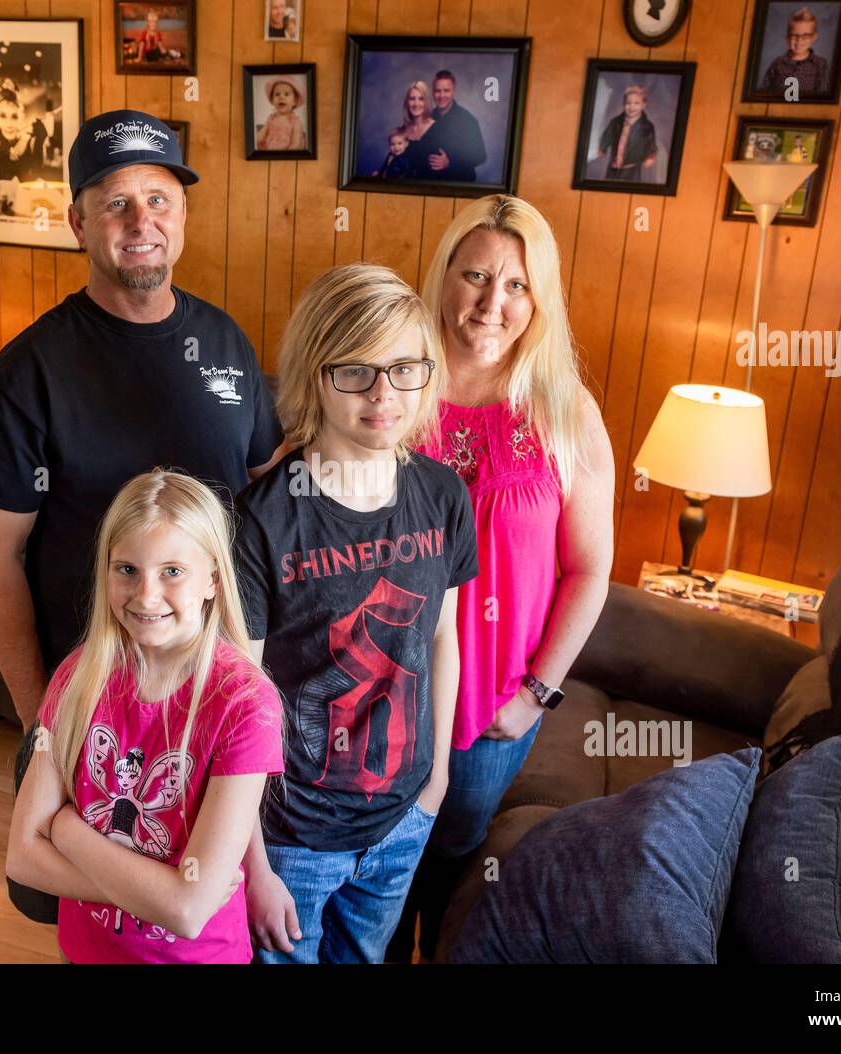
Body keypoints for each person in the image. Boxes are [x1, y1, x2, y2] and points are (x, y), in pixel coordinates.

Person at [0, 110, 284, 922]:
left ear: (185, 215)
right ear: (77, 222)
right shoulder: (29, 373)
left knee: (193, 908)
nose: (142, 222)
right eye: (116, 203)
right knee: (77, 908)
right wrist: (40, 720)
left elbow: (268, 495)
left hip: (212, 714)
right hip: (93, 715)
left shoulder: (227, 347)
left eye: (160, 200)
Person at [386, 194, 615, 963]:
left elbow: (589, 569)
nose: (493, 303)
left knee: (449, 862)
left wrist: (536, 695)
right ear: (443, 275)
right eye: (476, 275)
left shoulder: (563, 412)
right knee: (377, 867)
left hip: (492, 709)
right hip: (382, 691)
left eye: (517, 285)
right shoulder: (395, 390)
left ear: (538, 298)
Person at [235, 263, 479, 964]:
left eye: (405, 369)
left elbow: (444, 637)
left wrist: (433, 787)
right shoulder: (262, 522)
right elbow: (237, 704)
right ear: (315, 373)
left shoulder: (442, 496)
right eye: (357, 371)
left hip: (403, 818)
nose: (384, 395)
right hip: (292, 836)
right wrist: (250, 861)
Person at [6, 469, 284, 963]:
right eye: (127, 569)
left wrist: (67, 831)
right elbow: (23, 857)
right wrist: (159, 895)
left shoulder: (246, 703)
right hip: (85, 953)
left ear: (213, 579)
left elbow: (189, 911)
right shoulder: (78, 676)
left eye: (172, 571)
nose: (146, 596)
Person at [413, 70, 487, 182]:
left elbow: (480, 156)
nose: (441, 95)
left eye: (446, 91)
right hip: (429, 186)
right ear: (433, 92)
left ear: (453, 92)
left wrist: (450, 162)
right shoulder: (426, 118)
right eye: (438, 91)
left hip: (458, 186)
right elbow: (416, 154)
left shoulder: (468, 120)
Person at [0, 78, 49, 191]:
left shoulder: (33, 137)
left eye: (14, 116)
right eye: (2, 116)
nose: (9, 123)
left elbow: (42, 171)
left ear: (21, 115)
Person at [759, 7, 831, 97]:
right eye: (794, 35)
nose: (799, 40)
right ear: (787, 37)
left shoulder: (820, 65)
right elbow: (763, 91)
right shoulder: (777, 64)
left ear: (814, 37)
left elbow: (822, 96)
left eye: (805, 35)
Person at [596, 84, 658, 181]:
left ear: (644, 105)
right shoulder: (615, 122)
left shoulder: (647, 126)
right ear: (624, 104)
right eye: (628, 103)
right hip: (614, 167)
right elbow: (607, 136)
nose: (631, 107)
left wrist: (650, 156)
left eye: (636, 103)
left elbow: (651, 143)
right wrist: (602, 148)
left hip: (631, 169)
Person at [255, 78, 307, 151]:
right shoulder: (271, 118)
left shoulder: (294, 120)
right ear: (272, 101)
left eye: (286, 94)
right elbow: (262, 134)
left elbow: (296, 143)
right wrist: (253, 141)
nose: (281, 97)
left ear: (294, 101)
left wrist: (287, 156)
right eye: (277, 94)